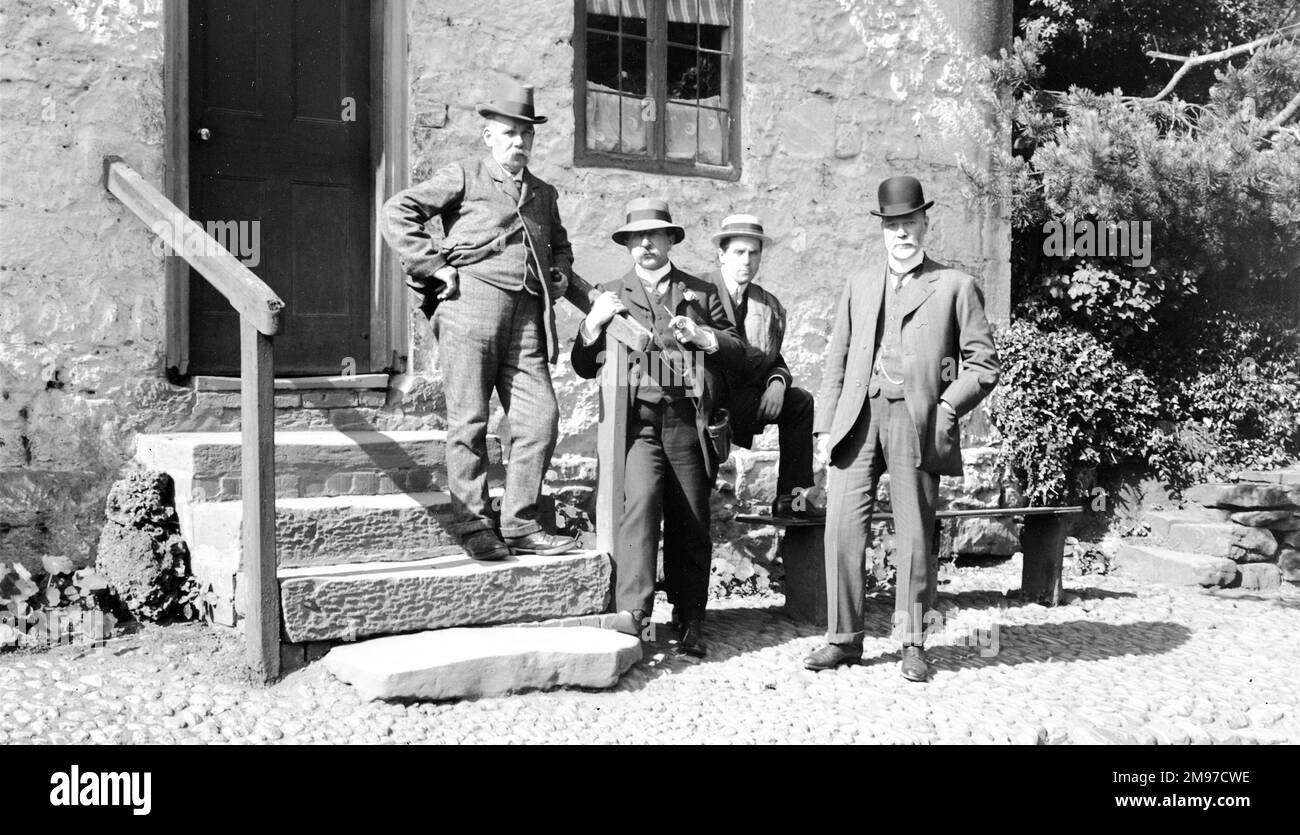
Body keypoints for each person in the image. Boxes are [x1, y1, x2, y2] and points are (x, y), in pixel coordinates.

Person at [804, 176, 1000, 681]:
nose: (901, 234)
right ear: (882, 230)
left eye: (909, 223)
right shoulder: (859, 284)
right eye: (892, 225)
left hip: (917, 422)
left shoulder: (955, 285)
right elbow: (838, 359)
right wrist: (825, 427)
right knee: (842, 529)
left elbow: (983, 365)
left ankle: (912, 642)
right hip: (857, 420)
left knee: (915, 535)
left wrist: (948, 407)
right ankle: (844, 640)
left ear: (924, 224)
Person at [381, 80, 578, 561]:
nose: (519, 143)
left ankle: (520, 523)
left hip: (527, 316)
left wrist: (560, 270)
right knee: (469, 419)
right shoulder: (465, 175)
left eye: (526, 135)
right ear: (488, 134)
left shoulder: (543, 193)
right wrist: (432, 265)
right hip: (470, 305)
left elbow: (562, 245)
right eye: (510, 133)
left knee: (540, 420)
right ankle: (472, 525)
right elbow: (398, 211)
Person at [571, 198, 742, 657]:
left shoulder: (701, 292)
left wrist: (704, 338)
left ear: (671, 240)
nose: (645, 243)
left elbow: (737, 349)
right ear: (627, 245)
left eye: (655, 235)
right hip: (640, 423)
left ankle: (690, 620)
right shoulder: (610, 293)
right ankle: (634, 613)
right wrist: (593, 324)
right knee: (642, 503)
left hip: (687, 421)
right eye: (636, 237)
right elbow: (583, 365)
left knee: (691, 517)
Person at [702, 214, 821, 519]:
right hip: (702, 403)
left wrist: (777, 384)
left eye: (754, 253)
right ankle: (702, 497)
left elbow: (771, 358)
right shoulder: (699, 292)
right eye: (738, 252)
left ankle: (790, 501)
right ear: (721, 255)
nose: (747, 261)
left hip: (742, 402)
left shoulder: (765, 304)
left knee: (800, 402)